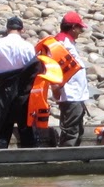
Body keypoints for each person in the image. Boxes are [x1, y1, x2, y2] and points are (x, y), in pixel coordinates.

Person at [0, 15, 39, 148]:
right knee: (26, 128)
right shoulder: (27, 46)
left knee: (2, 126)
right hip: (23, 91)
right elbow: (34, 67)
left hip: (4, 89)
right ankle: (29, 155)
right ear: (21, 29)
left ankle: (1, 153)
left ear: (7, 29)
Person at [36, 12, 89, 146]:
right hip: (70, 94)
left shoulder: (66, 42)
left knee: (77, 130)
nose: (81, 31)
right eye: (80, 28)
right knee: (71, 131)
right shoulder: (60, 44)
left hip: (76, 94)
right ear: (73, 27)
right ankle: (66, 155)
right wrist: (55, 88)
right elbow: (53, 68)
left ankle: (73, 154)